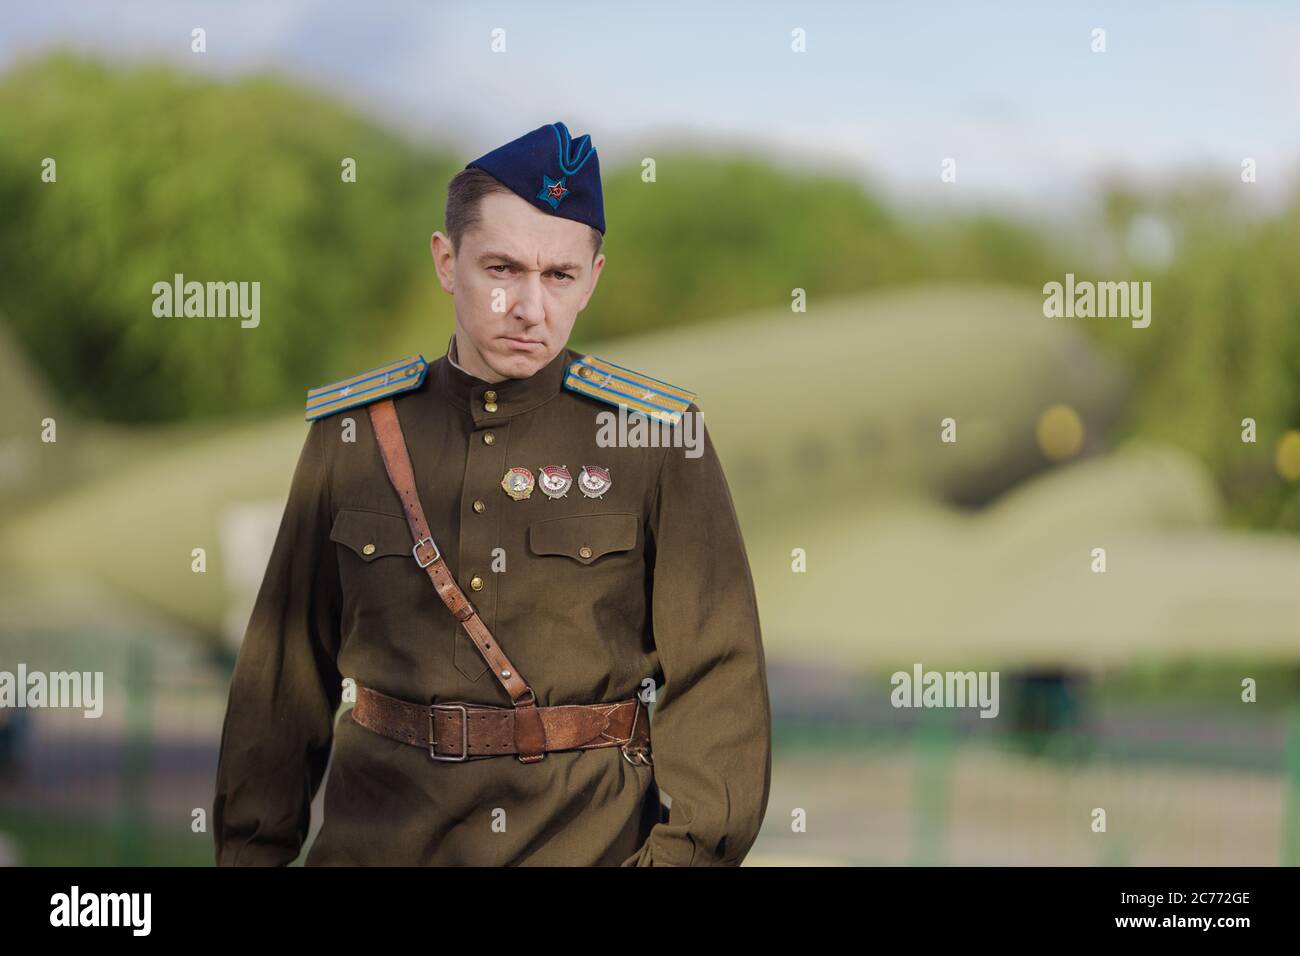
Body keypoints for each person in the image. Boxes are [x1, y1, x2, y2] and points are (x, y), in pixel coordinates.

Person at [212, 121, 772, 866]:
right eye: (502, 269)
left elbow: (719, 674)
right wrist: (250, 853)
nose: (529, 307)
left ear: (593, 277)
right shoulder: (351, 433)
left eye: (559, 276)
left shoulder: (658, 436)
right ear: (447, 261)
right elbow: (282, 675)